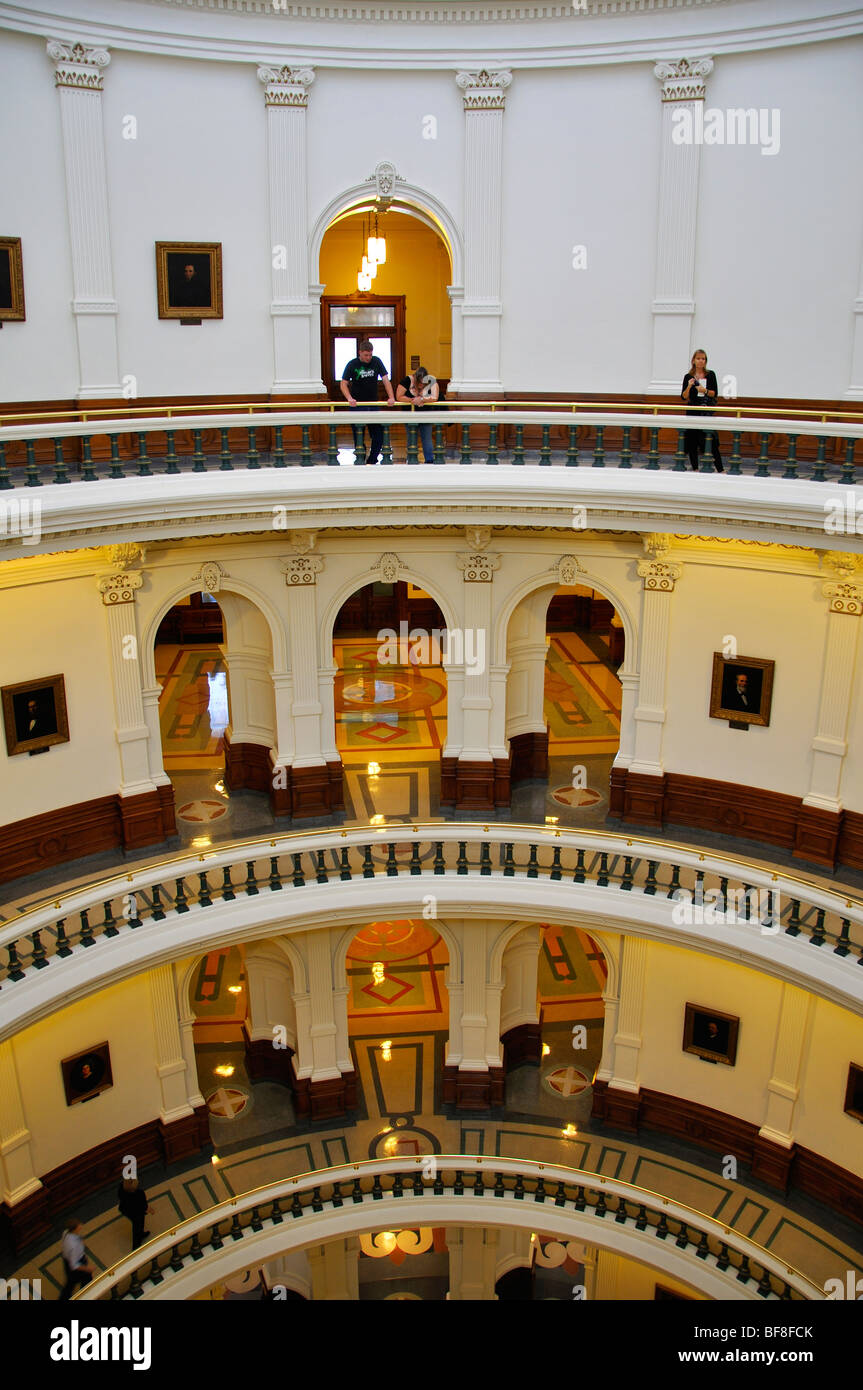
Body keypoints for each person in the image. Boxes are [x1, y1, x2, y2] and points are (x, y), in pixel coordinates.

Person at [340, 340, 396, 465]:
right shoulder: (352, 364)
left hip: (373, 404)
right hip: (357, 405)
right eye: (366, 355)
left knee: (378, 435)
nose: (368, 358)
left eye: (370, 355)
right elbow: (343, 383)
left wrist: (391, 397)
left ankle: (372, 459)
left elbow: (386, 380)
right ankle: (361, 458)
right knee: (358, 434)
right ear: (360, 353)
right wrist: (349, 398)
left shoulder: (376, 361)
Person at [681, 349, 723, 472]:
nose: (701, 361)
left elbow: (714, 393)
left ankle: (720, 469)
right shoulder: (688, 377)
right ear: (693, 361)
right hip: (692, 411)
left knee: (711, 440)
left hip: (706, 411)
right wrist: (689, 386)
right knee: (692, 440)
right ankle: (695, 468)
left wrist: (704, 390)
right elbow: (684, 397)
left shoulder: (710, 374)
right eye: (698, 358)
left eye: (703, 358)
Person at [396, 366, 440, 463]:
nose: (420, 385)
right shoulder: (407, 380)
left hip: (426, 415)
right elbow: (399, 396)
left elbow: (434, 397)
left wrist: (422, 399)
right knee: (411, 438)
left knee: (427, 438)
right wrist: (412, 400)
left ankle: (429, 460)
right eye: (419, 383)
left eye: (423, 384)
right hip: (410, 415)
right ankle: (411, 459)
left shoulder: (431, 381)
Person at [59, 1218, 93, 1299]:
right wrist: (87, 1268)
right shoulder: (73, 1246)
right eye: (79, 1226)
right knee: (86, 1280)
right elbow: (74, 1265)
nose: (81, 1226)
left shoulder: (66, 1233)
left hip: (68, 1261)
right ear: (74, 1229)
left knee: (70, 1284)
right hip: (77, 1263)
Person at [117, 1177, 153, 1250]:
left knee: (139, 1223)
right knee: (137, 1226)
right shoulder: (139, 1193)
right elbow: (143, 1205)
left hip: (127, 1210)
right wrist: (149, 1209)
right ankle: (136, 1246)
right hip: (136, 1212)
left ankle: (141, 1233)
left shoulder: (121, 1189)